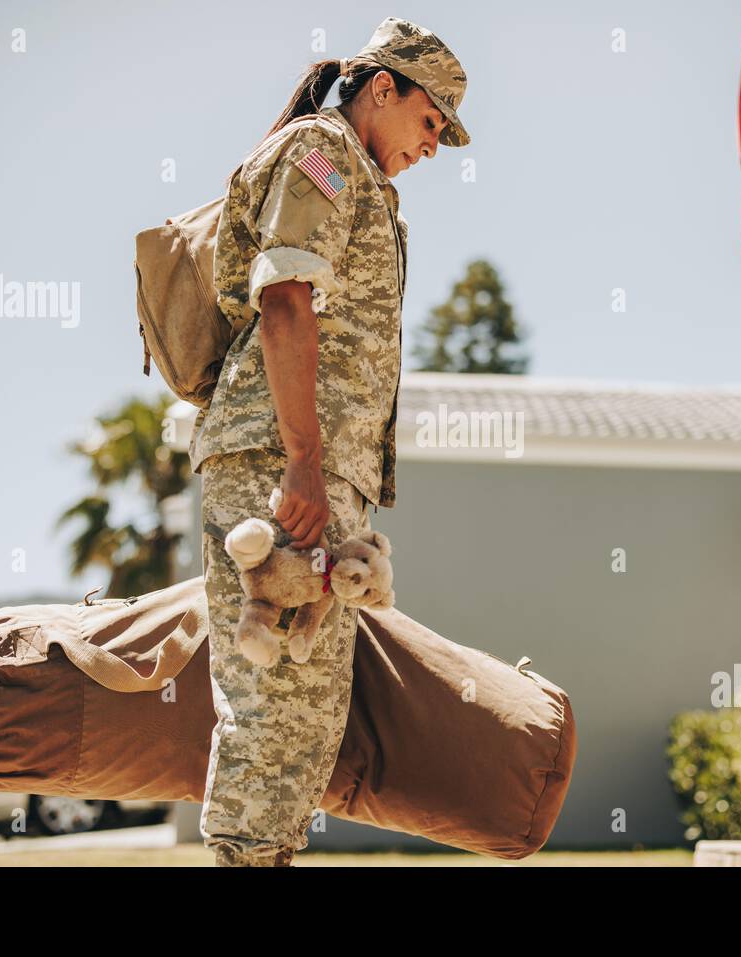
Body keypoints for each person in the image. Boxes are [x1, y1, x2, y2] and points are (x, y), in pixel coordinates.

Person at [190, 17, 471, 867]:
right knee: (271, 699)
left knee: (307, 710)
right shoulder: (322, 151)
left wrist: (331, 475)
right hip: (280, 461)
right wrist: (305, 462)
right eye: (431, 122)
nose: (434, 145)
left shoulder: (374, 192)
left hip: (318, 471)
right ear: (381, 87)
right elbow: (284, 300)